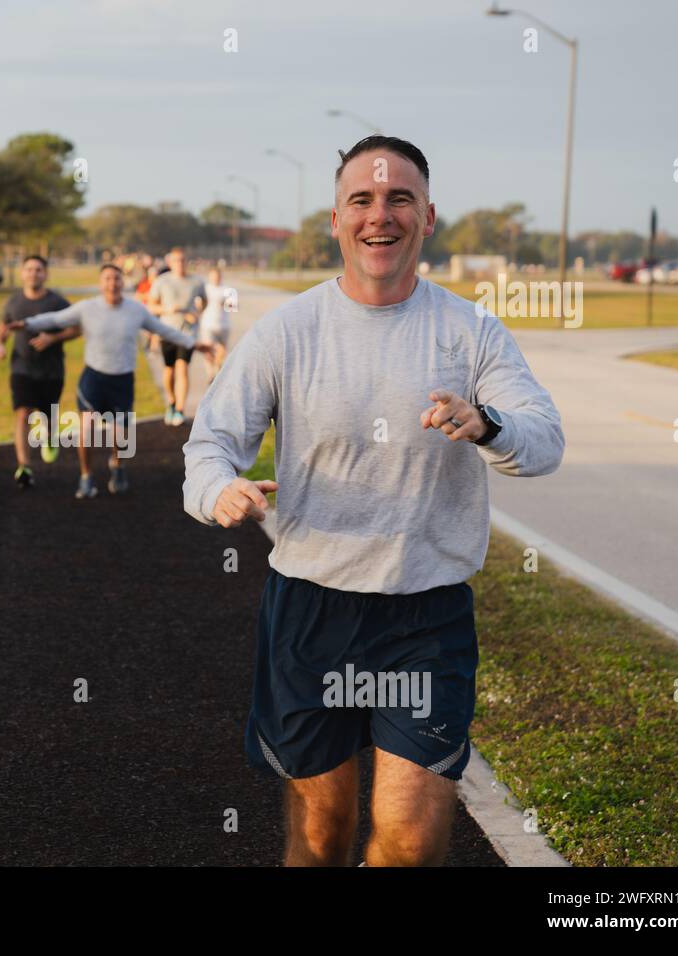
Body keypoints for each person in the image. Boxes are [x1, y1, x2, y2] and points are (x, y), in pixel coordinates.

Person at [183, 135, 565, 867]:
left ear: (427, 216)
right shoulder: (287, 332)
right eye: (362, 200)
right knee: (320, 839)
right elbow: (209, 445)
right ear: (336, 219)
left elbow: (544, 440)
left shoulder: (471, 330)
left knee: (412, 846)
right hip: (312, 610)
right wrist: (217, 490)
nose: (378, 216)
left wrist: (489, 425)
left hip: (424, 616)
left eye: (398, 199)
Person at [7, 263, 211, 498]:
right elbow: (56, 319)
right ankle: (86, 477)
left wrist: (194, 343)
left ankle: (117, 466)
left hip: (122, 381)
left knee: (119, 437)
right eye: (107, 279)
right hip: (93, 379)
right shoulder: (87, 308)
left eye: (116, 279)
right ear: (100, 283)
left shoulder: (136, 310)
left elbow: (164, 330)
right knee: (86, 431)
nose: (112, 283)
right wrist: (26, 324)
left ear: (122, 283)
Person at [0, 255, 78, 488]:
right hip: (21, 367)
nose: (34, 273)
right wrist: (0, 344)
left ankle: (50, 437)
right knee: (22, 413)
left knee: (47, 416)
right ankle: (24, 467)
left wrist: (53, 338)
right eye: (29, 269)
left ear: (45, 274)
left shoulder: (58, 303)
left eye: (38, 270)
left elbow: (76, 328)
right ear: (23, 273)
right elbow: (5, 327)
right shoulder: (14, 302)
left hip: (51, 370)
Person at [147, 248, 205, 426]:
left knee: (183, 368)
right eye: (176, 261)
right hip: (167, 331)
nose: (180, 264)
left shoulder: (196, 281)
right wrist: (167, 310)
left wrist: (197, 313)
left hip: (187, 333)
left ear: (187, 262)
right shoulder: (161, 281)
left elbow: (205, 300)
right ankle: (171, 402)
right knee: (169, 370)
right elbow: (151, 307)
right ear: (170, 263)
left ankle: (180, 409)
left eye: (182, 260)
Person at [198, 266, 232, 382]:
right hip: (208, 324)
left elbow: (234, 307)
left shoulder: (227, 289)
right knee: (208, 350)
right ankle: (211, 373)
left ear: (221, 277)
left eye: (217, 276)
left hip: (224, 325)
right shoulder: (205, 289)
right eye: (213, 276)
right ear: (209, 277)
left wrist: (226, 304)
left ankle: (217, 370)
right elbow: (199, 305)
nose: (216, 278)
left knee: (222, 351)